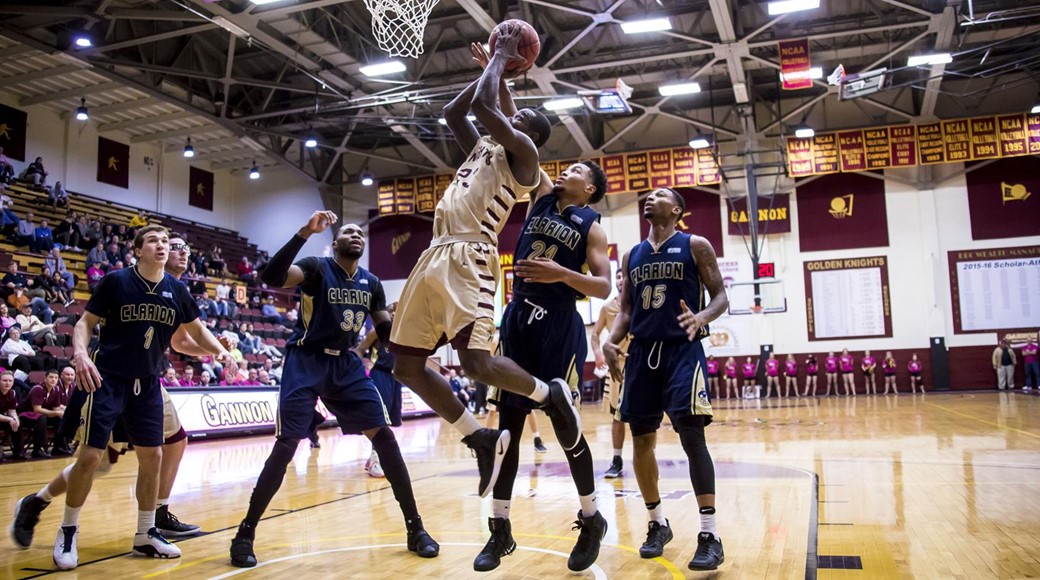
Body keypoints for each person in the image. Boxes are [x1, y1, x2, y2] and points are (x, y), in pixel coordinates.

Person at [388, 25, 577, 501]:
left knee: (476, 363)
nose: (518, 109)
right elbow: (457, 111)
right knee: (406, 367)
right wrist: (492, 67)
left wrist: (501, 58)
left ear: (531, 131)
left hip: (471, 254)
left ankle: (545, 394)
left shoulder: (525, 156)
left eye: (526, 114)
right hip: (434, 252)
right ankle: (479, 437)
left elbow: (487, 109)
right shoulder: (483, 147)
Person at [229, 212, 438, 568]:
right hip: (306, 360)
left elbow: (385, 334)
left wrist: (422, 336)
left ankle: (415, 528)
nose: (355, 235)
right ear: (335, 242)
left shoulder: (372, 283)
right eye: (348, 231)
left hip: (346, 365)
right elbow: (272, 277)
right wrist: (303, 232)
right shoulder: (315, 267)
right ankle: (245, 534)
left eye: (360, 233)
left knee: (384, 438)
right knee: (286, 445)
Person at [36, 226, 229, 570]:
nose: (162, 245)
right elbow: (85, 323)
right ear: (138, 250)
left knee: (153, 456)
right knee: (92, 457)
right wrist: (79, 354)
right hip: (108, 378)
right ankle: (68, 529)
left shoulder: (177, 290)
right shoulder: (116, 281)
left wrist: (223, 354)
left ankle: (145, 533)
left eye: (166, 241)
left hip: (148, 382)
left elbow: (197, 331)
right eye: (154, 240)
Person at [480, 157, 611, 573]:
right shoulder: (539, 197)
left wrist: (560, 273)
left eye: (575, 170)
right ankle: (499, 528)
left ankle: (591, 518)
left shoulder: (592, 225)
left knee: (565, 425)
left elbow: (604, 286)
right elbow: (519, 146)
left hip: (558, 324)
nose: (565, 171)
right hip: (518, 318)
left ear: (589, 188)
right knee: (507, 430)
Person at [602, 186, 729, 571]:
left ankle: (710, 534)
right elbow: (625, 309)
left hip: (681, 351)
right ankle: (657, 523)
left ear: (676, 209)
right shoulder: (632, 254)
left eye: (659, 195)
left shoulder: (696, 245)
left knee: (692, 436)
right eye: (647, 196)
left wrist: (702, 318)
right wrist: (611, 340)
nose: (649, 199)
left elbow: (721, 296)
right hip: (641, 354)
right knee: (642, 440)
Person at [355, 302, 404, 478]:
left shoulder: (402, 333)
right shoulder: (377, 331)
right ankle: (376, 459)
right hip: (379, 374)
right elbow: (360, 350)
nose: (393, 315)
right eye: (390, 311)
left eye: (396, 312)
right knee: (380, 420)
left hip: (395, 378)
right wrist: (361, 367)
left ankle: (372, 458)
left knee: (389, 420)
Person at [591, 270, 628, 478]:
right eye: (618, 276)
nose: (620, 280)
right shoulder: (607, 307)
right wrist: (597, 352)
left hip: (638, 363)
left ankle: (648, 458)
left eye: (624, 276)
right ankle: (616, 459)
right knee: (617, 416)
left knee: (645, 419)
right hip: (616, 366)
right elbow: (595, 334)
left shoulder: (639, 303)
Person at [0, 370, 48, 460]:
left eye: (10, 381)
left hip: (3, 418)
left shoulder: (12, 393)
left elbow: (12, 411)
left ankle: (18, 452)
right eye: (5, 380)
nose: (7, 383)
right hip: (2, 418)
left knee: (15, 423)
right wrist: (10, 419)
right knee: (11, 422)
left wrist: (15, 418)